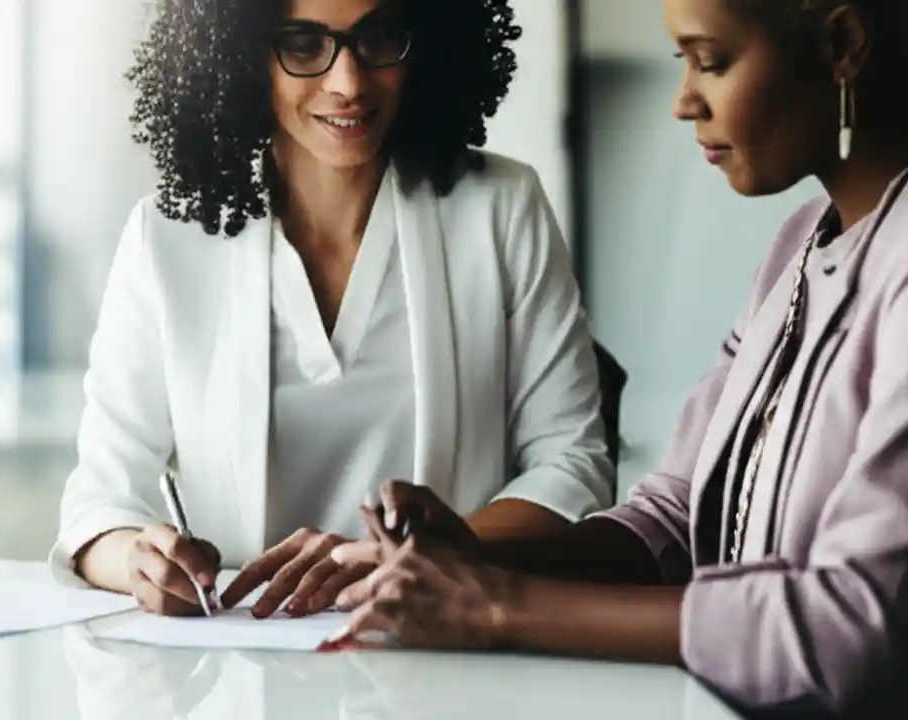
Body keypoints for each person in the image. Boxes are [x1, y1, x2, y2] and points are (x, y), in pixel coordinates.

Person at [334, 0, 908, 715]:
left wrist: (502, 606)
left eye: (711, 61)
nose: (684, 103)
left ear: (843, 41)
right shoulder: (804, 244)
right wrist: (471, 558)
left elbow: (855, 620)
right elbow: (675, 519)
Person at [49, 0, 615, 622]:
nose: (348, 84)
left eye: (378, 38)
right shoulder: (166, 238)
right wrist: (140, 562)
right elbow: (99, 505)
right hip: (236, 666)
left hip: (445, 655)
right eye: (302, 45)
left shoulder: (502, 210)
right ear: (240, 55)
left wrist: (411, 559)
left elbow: (572, 465)